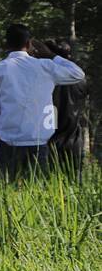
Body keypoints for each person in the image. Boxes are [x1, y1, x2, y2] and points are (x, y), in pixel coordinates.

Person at [0, 25, 85, 180]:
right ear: (29, 44)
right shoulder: (45, 66)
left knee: (6, 190)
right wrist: (52, 55)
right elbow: (78, 74)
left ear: (6, 44)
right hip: (39, 142)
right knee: (37, 189)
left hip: (8, 142)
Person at [46, 39, 88, 180]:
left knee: (48, 185)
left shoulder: (47, 79)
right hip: (74, 138)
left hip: (51, 139)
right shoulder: (80, 79)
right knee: (75, 184)